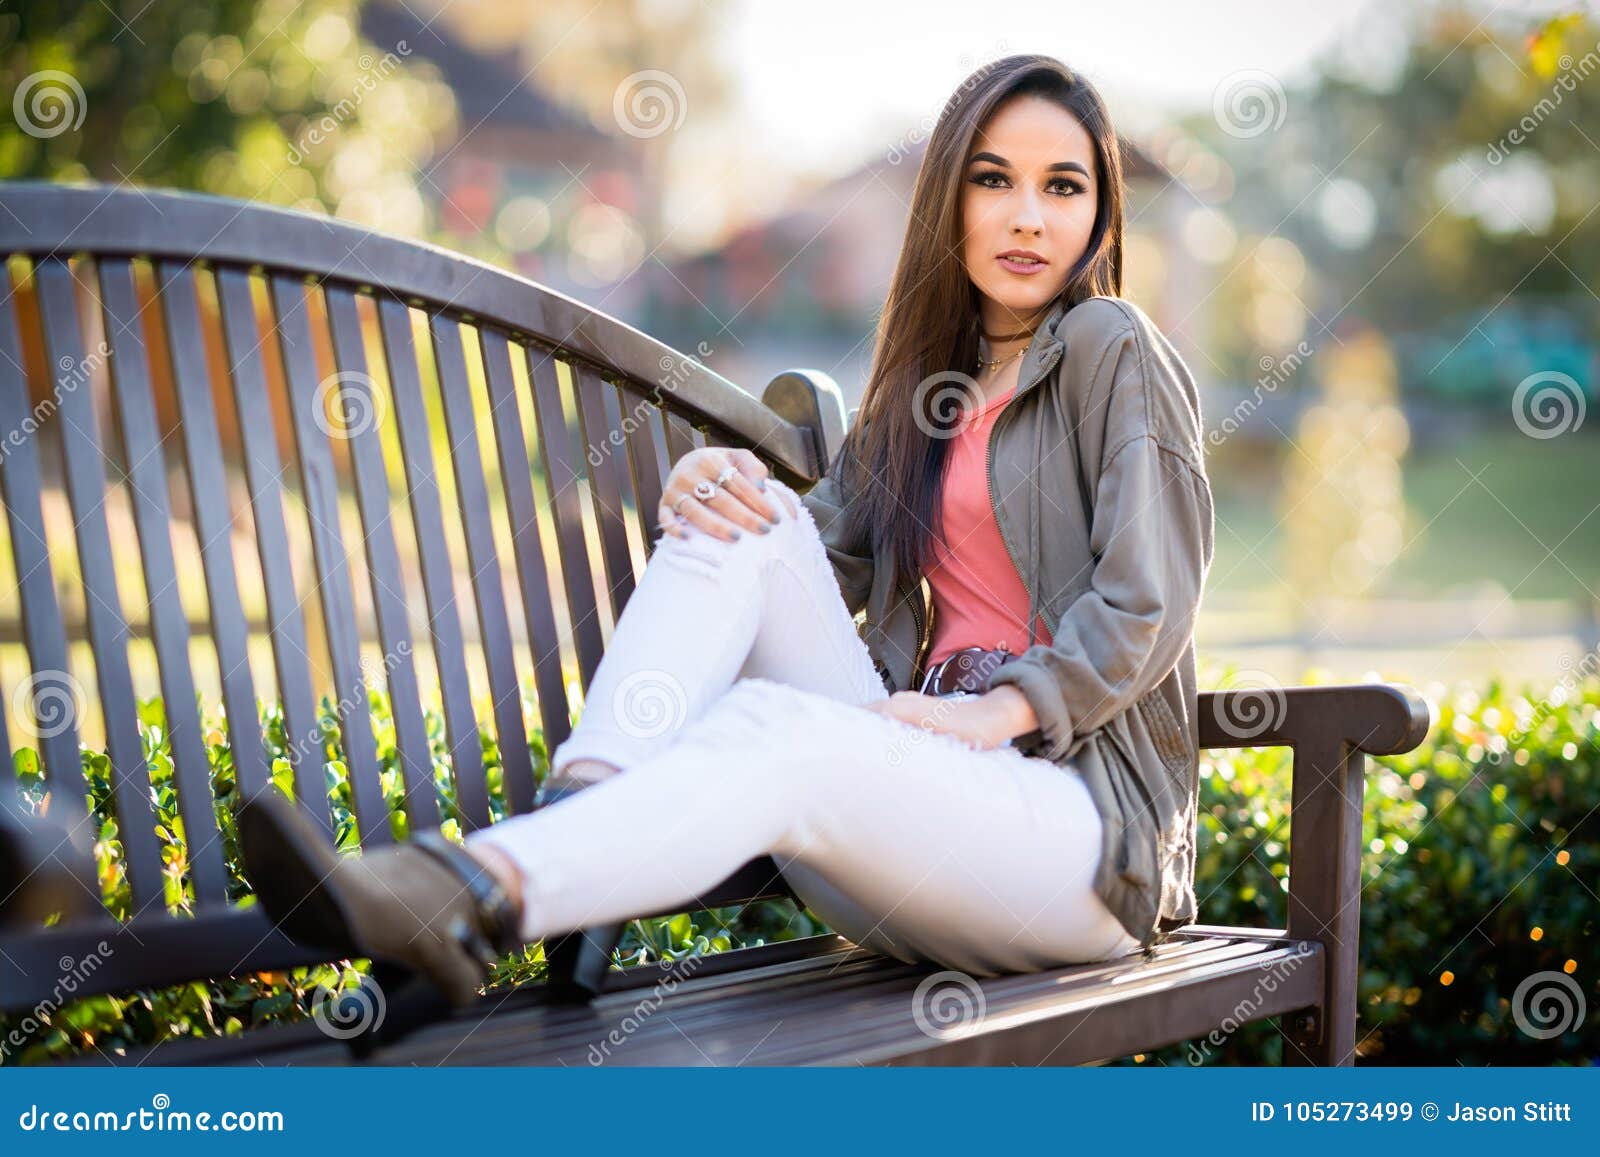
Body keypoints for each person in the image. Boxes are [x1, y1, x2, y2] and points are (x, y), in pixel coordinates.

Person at [237, 53, 1215, 1011]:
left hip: (1078, 845)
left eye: (1063, 186)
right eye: (992, 179)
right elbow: (807, 550)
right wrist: (716, 482)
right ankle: (578, 826)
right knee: (745, 519)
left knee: (770, 723)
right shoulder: (926, 386)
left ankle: (477, 889)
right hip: (921, 834)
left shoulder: (1111, 345)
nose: (1027, 215)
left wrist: (991, 712)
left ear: (1099, 215)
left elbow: (1148, 601)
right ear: (946, 201)